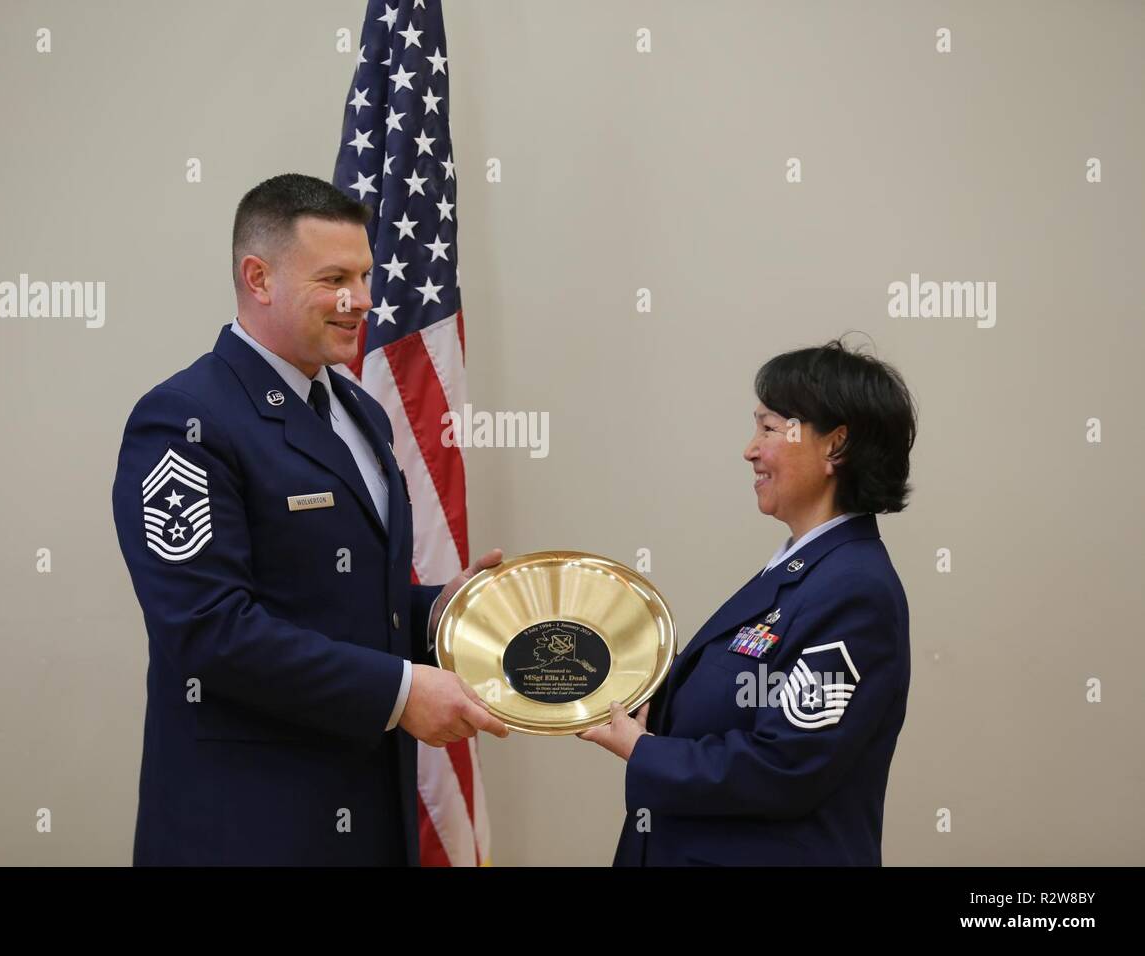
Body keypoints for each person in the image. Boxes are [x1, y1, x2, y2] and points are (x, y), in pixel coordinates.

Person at [111, 173, 508, 866]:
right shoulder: (184, 422)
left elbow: (333, 597)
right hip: (250, 827)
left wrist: (435, 612)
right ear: (258, 278)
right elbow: (210, 631)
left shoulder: (360, 412)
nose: (361, 301)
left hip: (369, 814)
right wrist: (402, 689)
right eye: (334, 279)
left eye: (363, 274)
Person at [581, 337, 917, 866]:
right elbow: (728, 710)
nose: (750, 450)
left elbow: (785, 766)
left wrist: (639, 748)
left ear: (836, 446)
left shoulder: (855, 591)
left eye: (768, 428)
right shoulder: (802, 572)